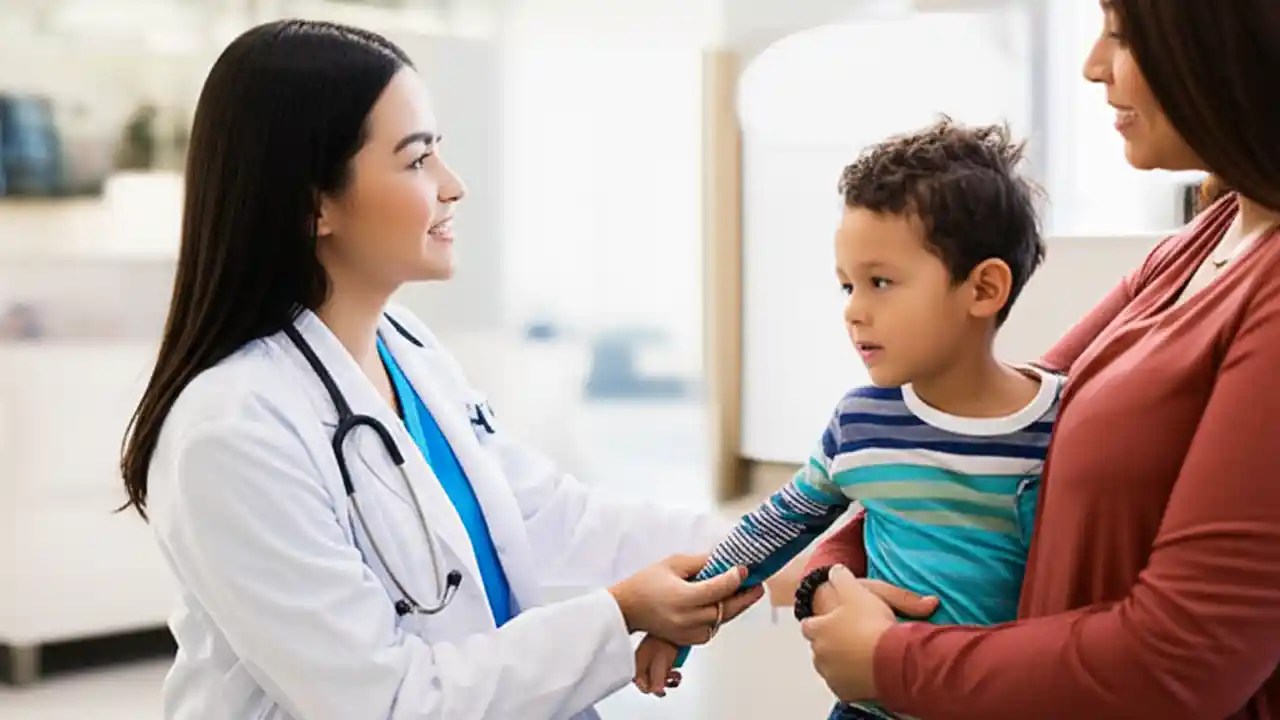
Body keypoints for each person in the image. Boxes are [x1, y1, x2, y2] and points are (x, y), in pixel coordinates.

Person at [117, 20, 766, 720]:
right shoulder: (232, 432)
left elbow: (546, 518)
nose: (452, 186)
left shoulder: (406, 348)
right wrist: (621, 616)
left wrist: (764, 552)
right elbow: (386, 702)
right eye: (417, 160)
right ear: (314, 204)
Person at [799, 2, 1280, 718]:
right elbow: (966, 436)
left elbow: (1184, 658)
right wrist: (831, 575)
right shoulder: (1206, 238)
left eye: (1121, 35)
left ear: (1226, 40)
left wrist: (888, 659)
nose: (1092, 65)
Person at [630, 120, 1059, 720]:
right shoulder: (860, 423)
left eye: (880, 282)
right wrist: (686, 617)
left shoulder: (1060, 424)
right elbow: (777, 524)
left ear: (983, 288)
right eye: (847, 286)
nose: (855, 311)